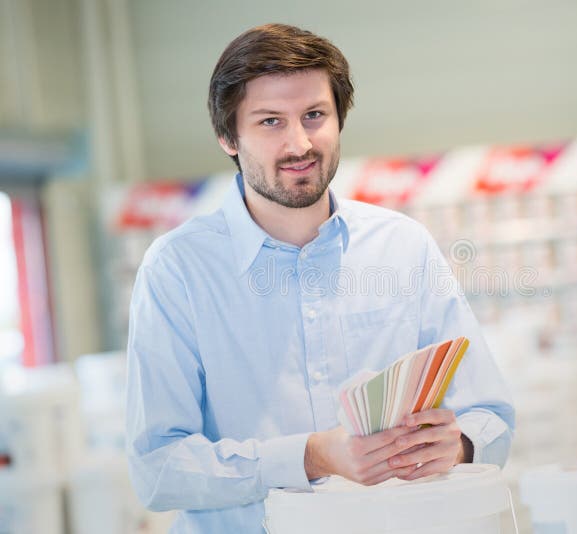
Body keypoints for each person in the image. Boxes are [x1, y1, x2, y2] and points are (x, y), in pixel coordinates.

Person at [126, 23, 514, 533]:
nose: (299, 143)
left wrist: (458, 443)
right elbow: (158, 468)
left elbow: (490, 414)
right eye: (270, 121)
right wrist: (310, 457)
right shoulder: (177, 270)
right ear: (227, 137)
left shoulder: (402, 247)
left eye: (315, 115)